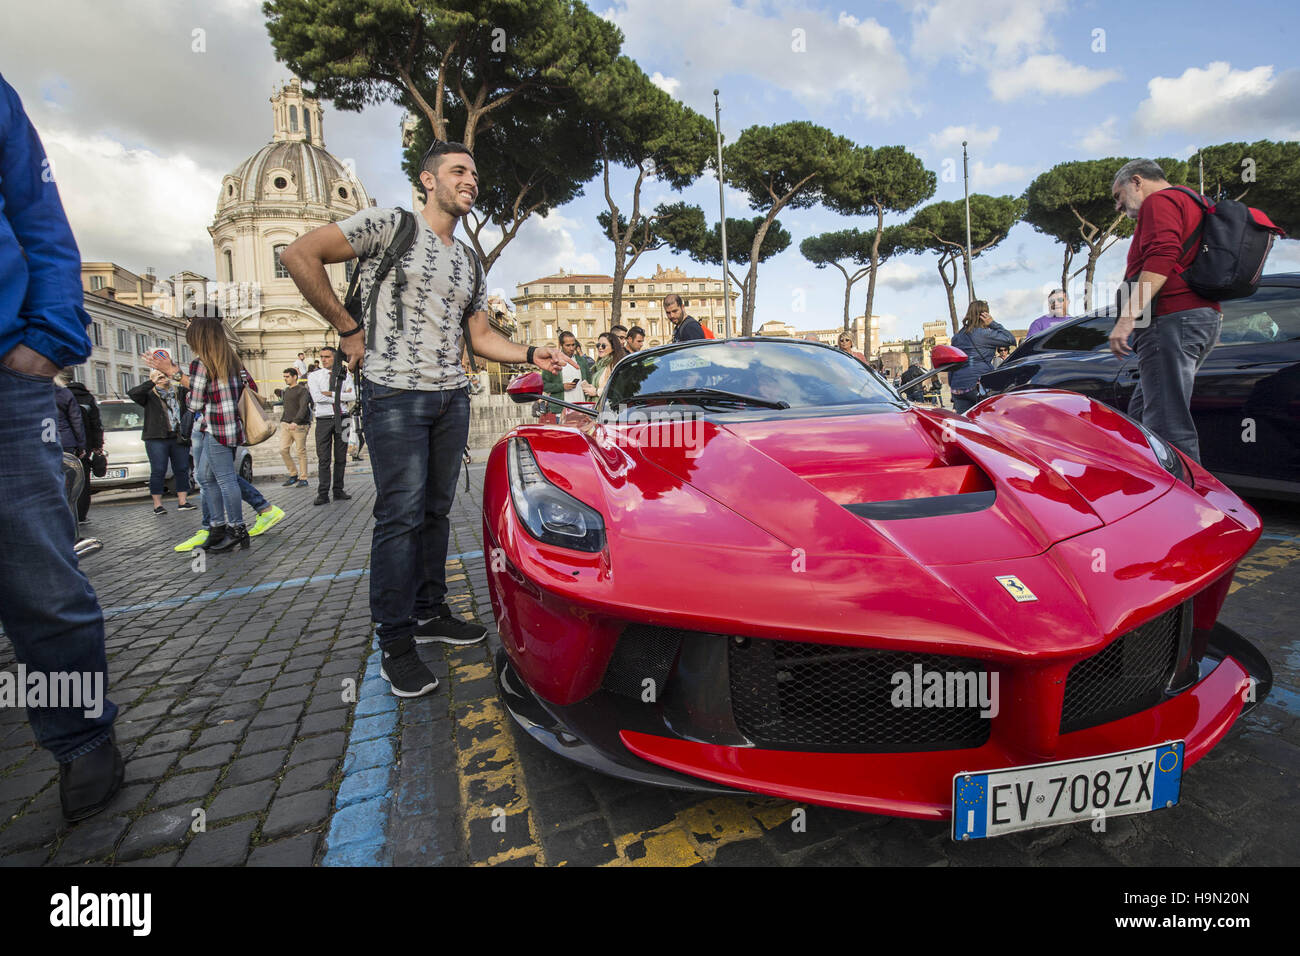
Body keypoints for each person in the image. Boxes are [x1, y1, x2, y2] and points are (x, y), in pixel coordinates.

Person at [280, 138, 573, 698]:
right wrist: (347, 329)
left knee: (437, 511)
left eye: (475, 174)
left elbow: (481, 336)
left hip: (450, 397)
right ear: (427, 180)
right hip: (393, 395)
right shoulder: (390, 225)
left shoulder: (468, 260)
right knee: (401, 516)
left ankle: (429, 610)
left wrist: (532, 353)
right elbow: (298, 254)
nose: (471, 180)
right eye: (459, 170)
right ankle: (394, 642)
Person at [0, 73, 122, 820]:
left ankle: (82, 741)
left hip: (7, 369)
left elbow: (37, 211)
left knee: (39, 578)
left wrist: (48, 337)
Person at [1108, 159, 1221, 462]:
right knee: (1142, 414)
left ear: (1137, 181)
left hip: (1171, 318)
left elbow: (1161, 256)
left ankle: (1184, 503)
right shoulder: (1191, 201)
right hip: (1194, 316)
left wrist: (1126, 319)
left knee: (1167, 425)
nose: (1119, 207)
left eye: (1119, 196)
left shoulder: (1159, 201)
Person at [182, 316, 254, 551]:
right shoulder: (233, 361)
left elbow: (194, 403)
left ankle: (236, 528)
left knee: (224, 480)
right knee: (205, 476)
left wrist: (185, 390)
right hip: (233, 428)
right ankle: (218, 527)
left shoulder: (201, 363)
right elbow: (249, 388)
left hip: (215, 428)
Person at [127, 369, 195, 514]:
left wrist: (175, 375)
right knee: (158, 470)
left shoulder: (179, 392)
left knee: (182, 469)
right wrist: (152, 382)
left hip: (178, 436)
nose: (163, 378)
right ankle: (157, 505)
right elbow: (133, 393)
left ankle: (183, 501)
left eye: (164, 375)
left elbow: (193, 387)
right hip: (156, 438)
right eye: (159, 376)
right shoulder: (149, 395)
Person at [307, 345, 355, 505]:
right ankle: (323, 493)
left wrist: (332, 394)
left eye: (327, 356)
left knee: (341, 457)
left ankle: (338, 490)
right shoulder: (314, 376)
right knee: (324, 458)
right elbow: (317, 398)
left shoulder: (345, 374)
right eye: (322, 357)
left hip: (343, 418)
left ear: (335, 358)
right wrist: (341, 396)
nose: (324, 359)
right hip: (323, 419)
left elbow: (353, 395)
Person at [948, 300, 1015, 414]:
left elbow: (952, 364)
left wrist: (952, 384)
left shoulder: (956, 337)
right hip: (978, 386)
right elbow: (1010, 339)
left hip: (958, 387)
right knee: (986, 423)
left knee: (966, 425)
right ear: (984, 315)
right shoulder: (985, 334)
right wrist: (992, 323)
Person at [63, 372, 102, 522]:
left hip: (61, 443)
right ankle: (81, 515)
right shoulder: (87, 397)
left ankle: (66, 516)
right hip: (83, 446)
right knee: (82, 481)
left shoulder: (57, 394)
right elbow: (95, 423)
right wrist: (97, 445)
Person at [278, 366, 311, 487]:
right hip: (286, 424)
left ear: (295, 377)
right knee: (283, 449)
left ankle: (303, 478)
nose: (285, 379)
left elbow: (303, 407)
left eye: (287, 377)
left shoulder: (302, 390)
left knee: (300, 451)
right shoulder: (286, 391)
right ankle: (293, 474)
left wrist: (296, 422)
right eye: (284, 377)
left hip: (300, 425)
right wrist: (283, 421)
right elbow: (287, 407)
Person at [543, 331, 592, 405]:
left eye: (573, 345)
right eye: (568, 345)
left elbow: (589, 382)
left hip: (582, 408)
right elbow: (544, 386)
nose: (572, 348)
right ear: (561, 345)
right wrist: (562, 387)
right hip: (561, 410)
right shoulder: (553, 362)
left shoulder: (582, 361)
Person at [581, 331, 626, 399]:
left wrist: (596, 392)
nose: (600, 348)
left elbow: (620, 390)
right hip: (599, 407)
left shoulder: (616, 365)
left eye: (604, 346)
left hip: (612, 407)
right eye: (598, 345)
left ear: (613, 348)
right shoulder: (599, 365)